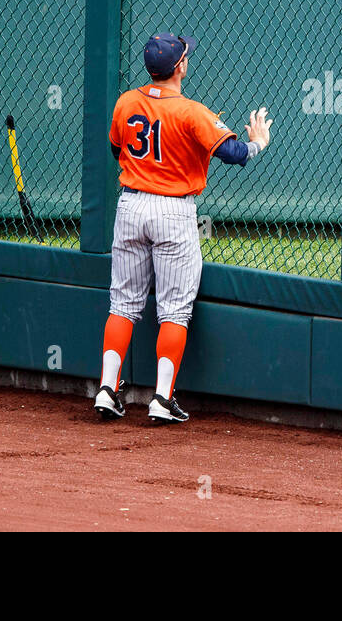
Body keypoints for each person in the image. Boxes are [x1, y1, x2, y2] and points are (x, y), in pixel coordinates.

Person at [93, 33, 273, 423]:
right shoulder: (191, 111)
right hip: (173, 211)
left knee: (122, 303)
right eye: (185, 56)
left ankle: (107, 389)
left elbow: (116, 150)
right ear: (179, 67)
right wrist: (259, 141)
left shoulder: (126, 101)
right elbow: (234, 153)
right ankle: (161, 398)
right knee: (174, 311)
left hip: (130, 205)